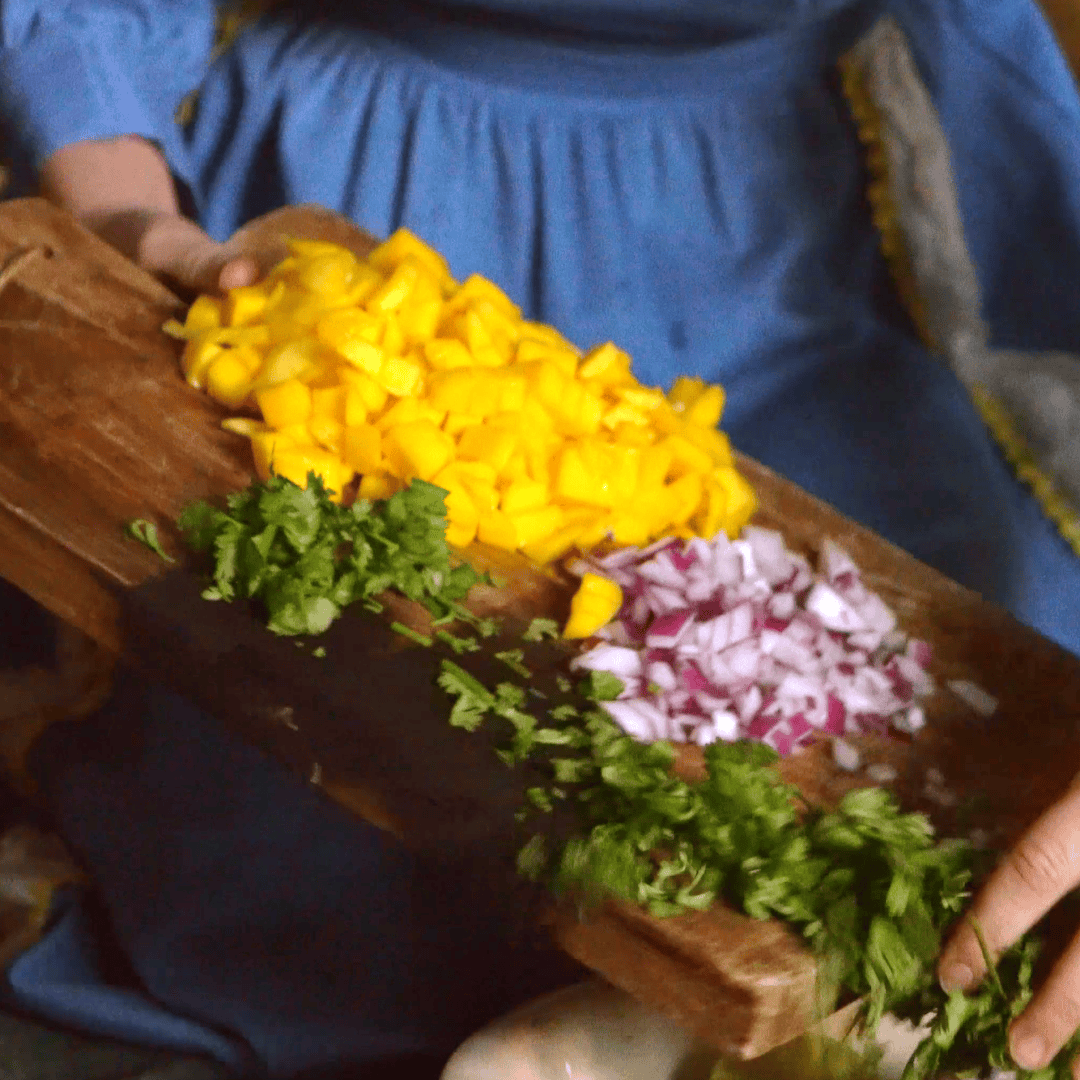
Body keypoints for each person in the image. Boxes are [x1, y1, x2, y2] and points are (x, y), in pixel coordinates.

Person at [3, 0, 1080, 1075]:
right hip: (345, 175)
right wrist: (125, 213)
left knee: (986, 775)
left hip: (791, 238)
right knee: (337, 859)